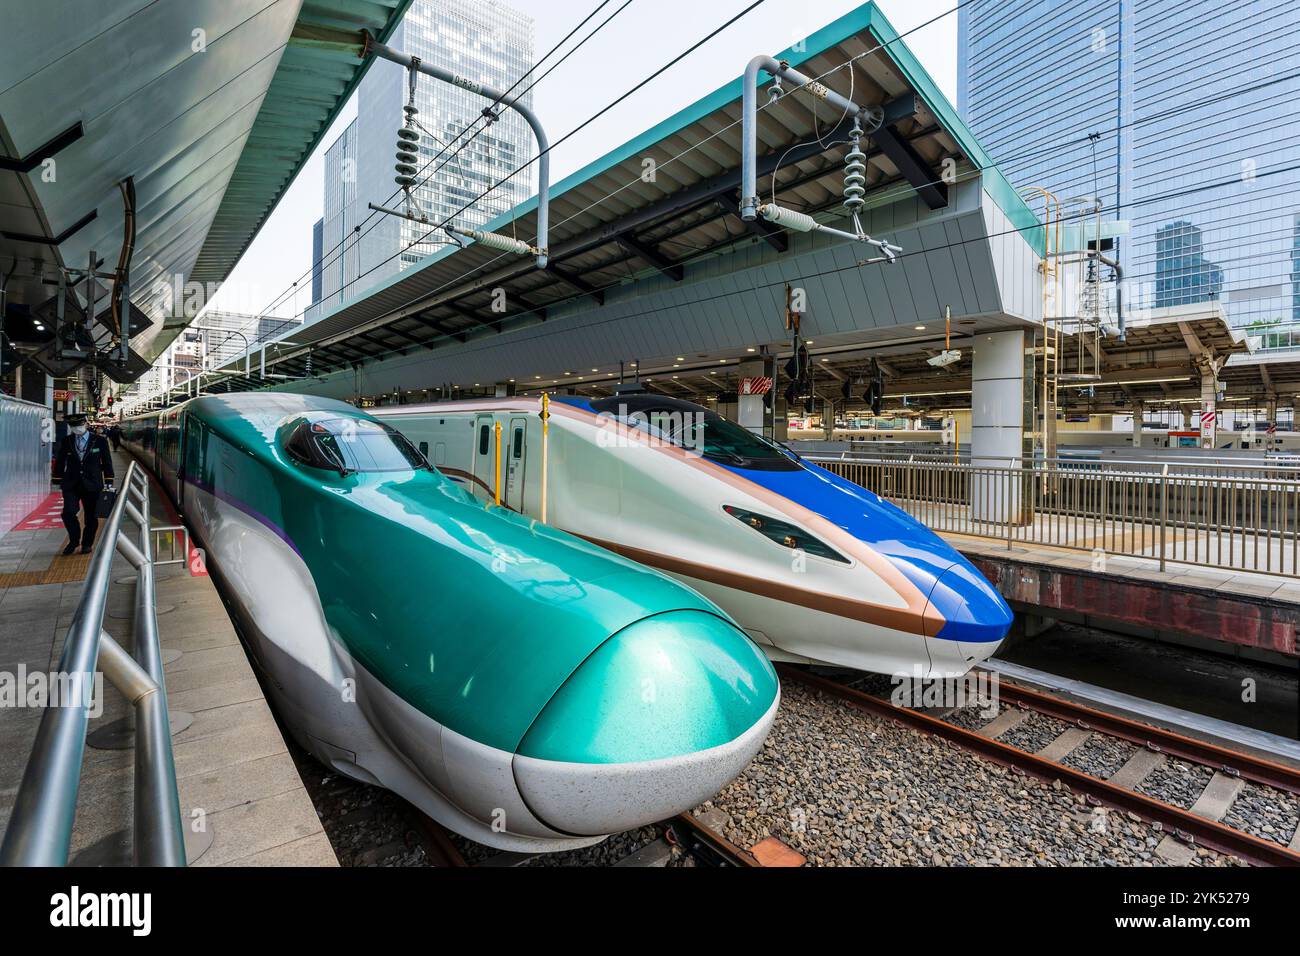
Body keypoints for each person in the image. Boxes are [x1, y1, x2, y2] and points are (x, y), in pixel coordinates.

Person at [52, 413, 115, 555]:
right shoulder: (67, 441)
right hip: (71, 483)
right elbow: (61, 461)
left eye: (79, 425)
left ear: (86, 423)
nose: (77, 428)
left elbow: (107, 462)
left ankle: (87, 543)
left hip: (93, 484)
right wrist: (57, 478)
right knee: (68, 512)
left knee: (91, 516)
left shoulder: (99, 441)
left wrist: (109, 480)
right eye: (73, 426)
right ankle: (74, 540)